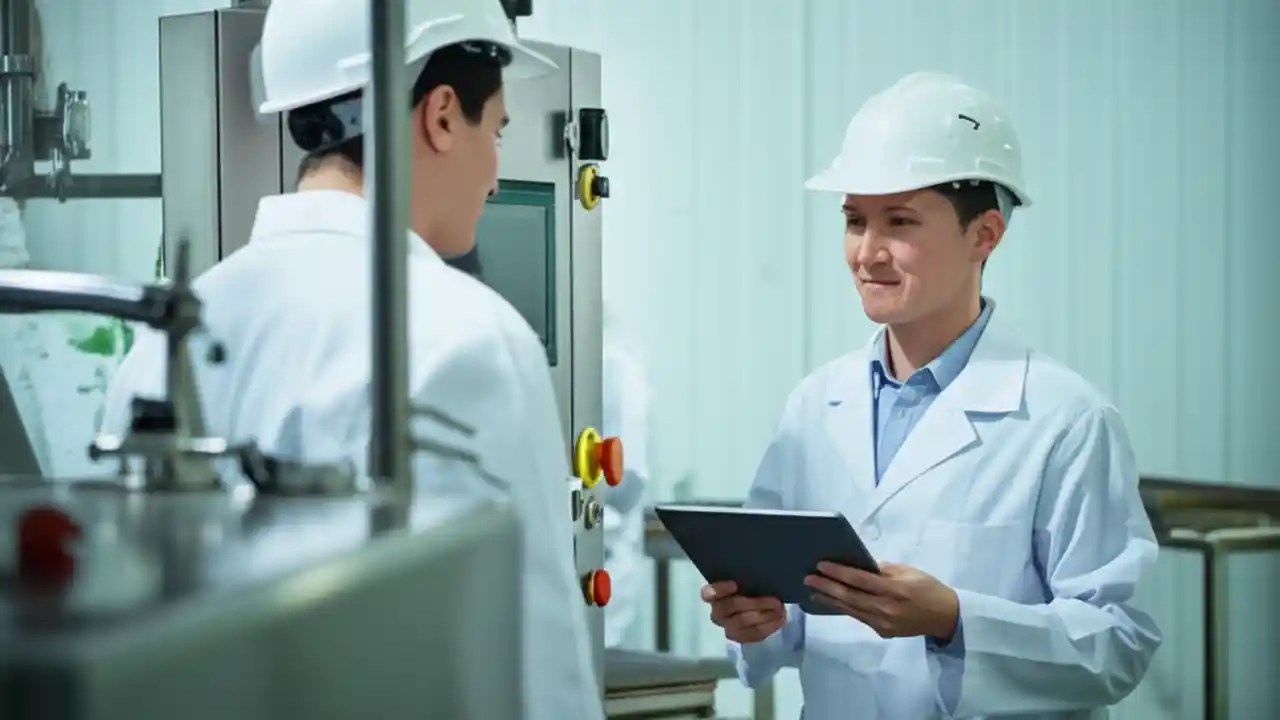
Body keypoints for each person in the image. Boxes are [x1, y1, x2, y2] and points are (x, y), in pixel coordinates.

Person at [99, 1, 602, 718]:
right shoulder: (468, 335)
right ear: (441, 115)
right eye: (498, 132)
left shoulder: (164, 337)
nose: (496, 177)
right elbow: (537, 674)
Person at [700, 72, 1162, 719]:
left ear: (985, 236)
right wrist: (754, 619)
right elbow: (786, 619)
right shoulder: (815, 406)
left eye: (900, 221)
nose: (868, 252)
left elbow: (1118, 643)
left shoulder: (1066, 419)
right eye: (855, 220)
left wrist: (954, 617)